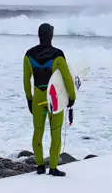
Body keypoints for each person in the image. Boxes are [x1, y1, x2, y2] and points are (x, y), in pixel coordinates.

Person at [23, 23, 76, 176]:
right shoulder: (58, 54)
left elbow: (26, 80)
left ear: (39, 35)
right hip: (54, 98)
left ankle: (40, 166)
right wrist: (72, 96)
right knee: (55, 132)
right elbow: (66, 78)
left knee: (37, 131)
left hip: (38, 97)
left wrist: (29, 99)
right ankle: (53, 167)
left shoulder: (28, 54)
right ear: (51, 35)